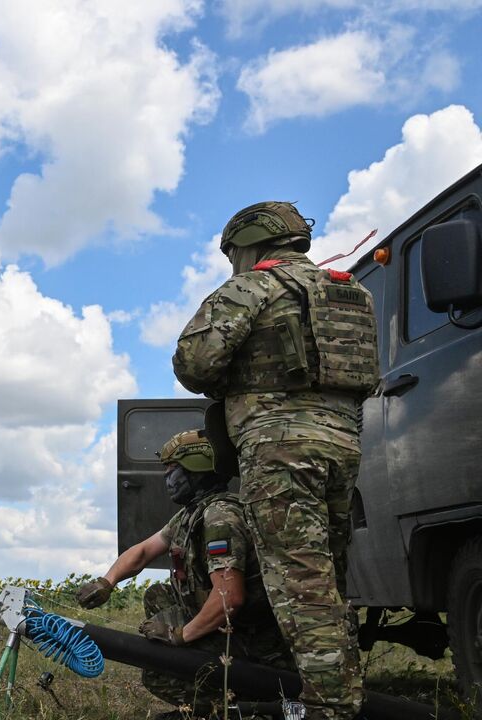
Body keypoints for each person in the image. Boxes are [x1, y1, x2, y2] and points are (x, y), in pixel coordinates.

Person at [171, 201, 380, 720]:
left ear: (252, 240)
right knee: (327, 575)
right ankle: (340, 688)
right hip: (342, 444)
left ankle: (330, 705)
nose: (233, 262)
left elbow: (194, 365)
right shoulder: (351, 290)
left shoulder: (253, 288)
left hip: (278, 446)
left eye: (234, 251)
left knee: (298, 580)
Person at [76, 429, 294, 719]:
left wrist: (180, 637)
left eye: (173, 469)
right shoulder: (191, 514)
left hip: (252, 639)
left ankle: (240, 706)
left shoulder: (220, 518)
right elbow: (142, 552)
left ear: (198, 469)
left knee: (158, 674)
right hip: (230, 627)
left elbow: (230, 598)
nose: (167, 478)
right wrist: (106, 582)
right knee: (157, 596)